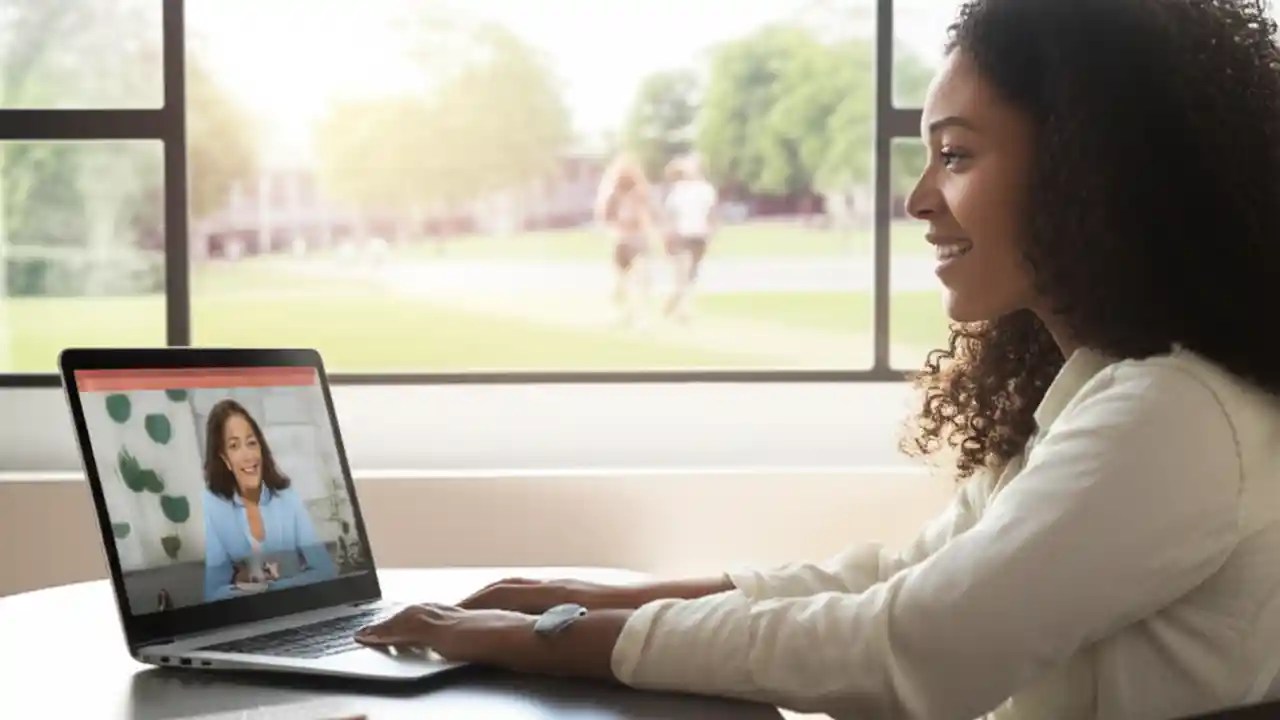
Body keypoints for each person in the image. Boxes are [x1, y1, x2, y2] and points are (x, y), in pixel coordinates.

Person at [355, 1, 1280, 717]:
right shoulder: (1104, 397)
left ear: (1089, 169)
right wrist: (594, 596)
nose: (920, 198)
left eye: (954, 155)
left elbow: (907, 647)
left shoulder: (1175, 417)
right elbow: (894, 575)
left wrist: (551, 639)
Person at [202, 398, 337, 602]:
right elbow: (213, 593)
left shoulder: (287, 497)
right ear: (225, 459)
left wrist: (263, 588)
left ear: (261, 448)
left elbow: (325, 571)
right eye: (234, 446)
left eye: (251, 443)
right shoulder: (216, 507)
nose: (248, 456)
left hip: (298, 609)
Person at [595, 153, 659, 326]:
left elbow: (644, 216)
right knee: (623, 282)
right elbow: (606, 218)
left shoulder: (638, 193)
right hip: (623, 240)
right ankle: (626, 314)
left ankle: (637, 316)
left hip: (633, 240)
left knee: (639, 279)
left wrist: (649, 235)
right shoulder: (613, 195)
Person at [661, 154, 718, 322]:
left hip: (699, 235)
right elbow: (670, 214)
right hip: (681, 236)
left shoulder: (706, 190)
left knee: (691, 275)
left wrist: (712, 233)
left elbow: (711, 213)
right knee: (683, 273)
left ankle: (674, 304)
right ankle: (681, 311)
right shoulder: (679, 190)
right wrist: (668, 235)